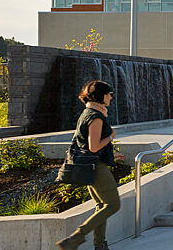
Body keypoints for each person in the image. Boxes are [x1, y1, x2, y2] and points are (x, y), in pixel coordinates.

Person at [57, 81, 124, 250]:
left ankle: (100, 246)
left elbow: (85, 145)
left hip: (88, 165)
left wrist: (111, 155)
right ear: (101, 95)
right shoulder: (96, 116)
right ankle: (76, 237)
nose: (111, 97)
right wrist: (111, 136)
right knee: (113, 205)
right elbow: (94, 146)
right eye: (109, 94)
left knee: (101, 206)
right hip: (95, 167)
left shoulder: (87, 112)